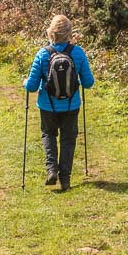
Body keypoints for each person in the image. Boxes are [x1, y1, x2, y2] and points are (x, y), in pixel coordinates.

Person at [24, 14, 94, 191]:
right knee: (68, 140)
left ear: (51, 32)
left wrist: (25, 82)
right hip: (71, 105)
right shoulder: (77, 53)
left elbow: (32, 86)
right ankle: (66, 179)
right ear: (69, 33)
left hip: (47, 106)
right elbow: (88, 82)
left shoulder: (42, 54)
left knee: (49, 134)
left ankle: (51, 170)